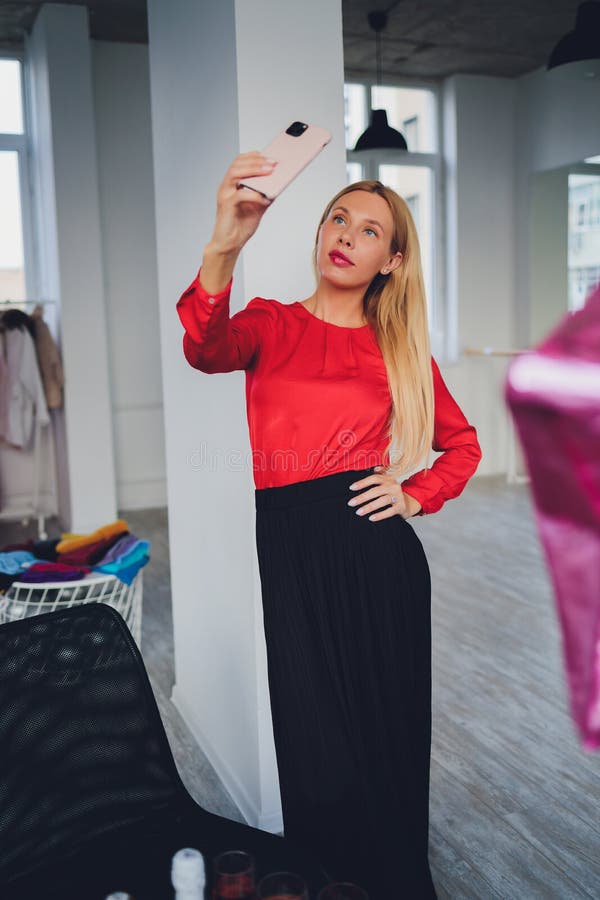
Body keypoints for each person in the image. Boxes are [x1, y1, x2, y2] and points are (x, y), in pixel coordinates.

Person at [176, 152, 482, 899]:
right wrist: (225, 242)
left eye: (369, 230)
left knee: (384, 733)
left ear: (391, 260)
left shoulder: (397, 349)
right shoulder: (269, 323)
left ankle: (395, 882)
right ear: (320, 233)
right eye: (338, 219)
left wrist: (413, 495)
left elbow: (464, 445)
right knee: (312, 739)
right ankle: (327, 883)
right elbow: (203, 349)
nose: (346, 235)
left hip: (375, 557)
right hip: (289, 547)